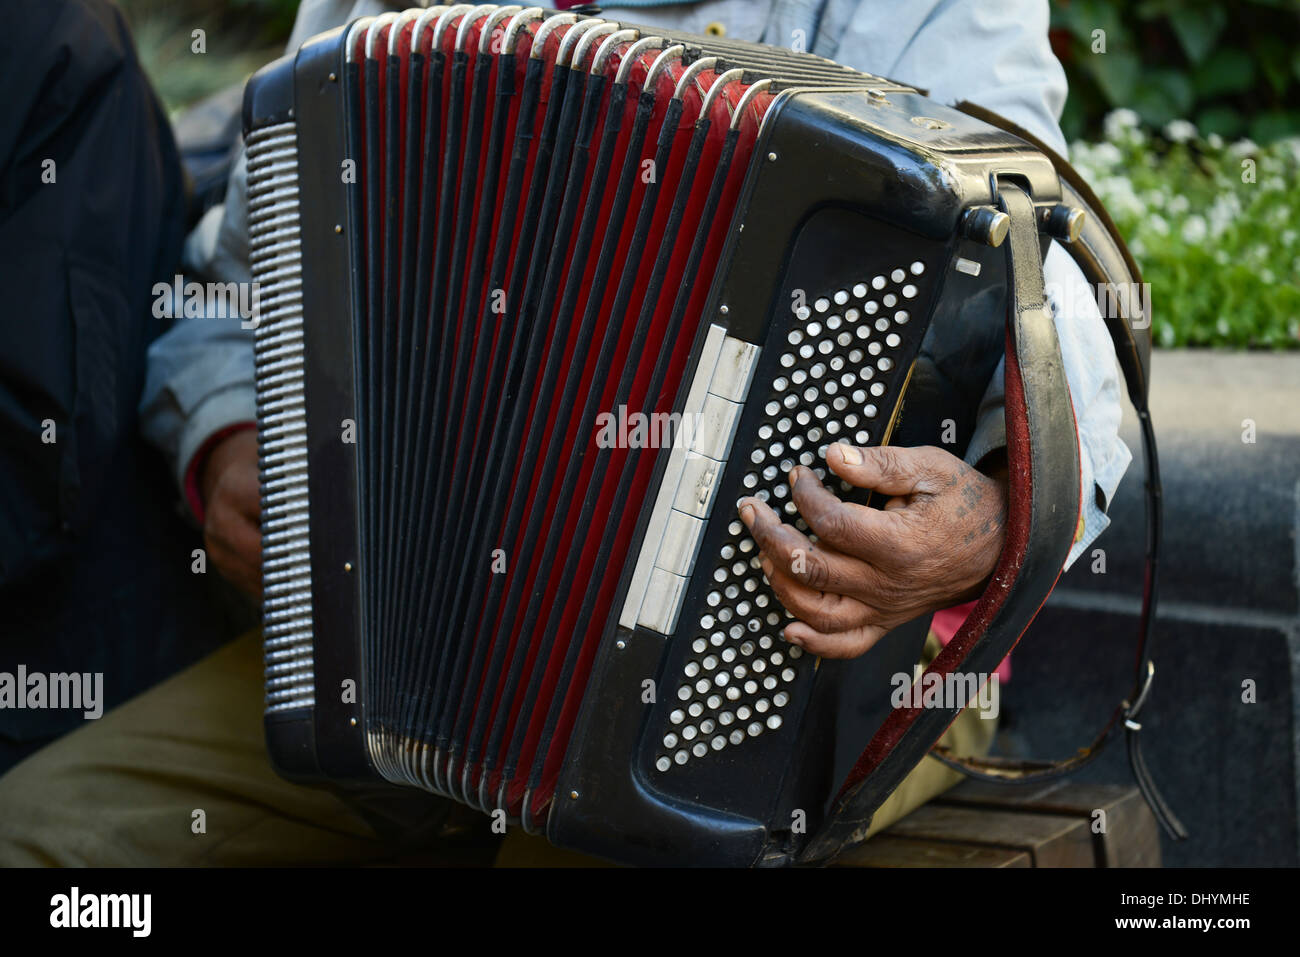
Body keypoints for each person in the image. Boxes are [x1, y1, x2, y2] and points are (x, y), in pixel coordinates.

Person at [0, 0, 1130, 866]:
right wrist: (227, 434)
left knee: (590, 844)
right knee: (41, 835)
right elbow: (239, 279)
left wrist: (984, 523)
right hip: (390, 665)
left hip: (821, 677)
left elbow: (1050, 280)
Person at [0, 0, 243, 777]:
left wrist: (222, 431)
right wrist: (225, 425)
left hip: (56, 672)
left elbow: (40, 459)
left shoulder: (50, 41)